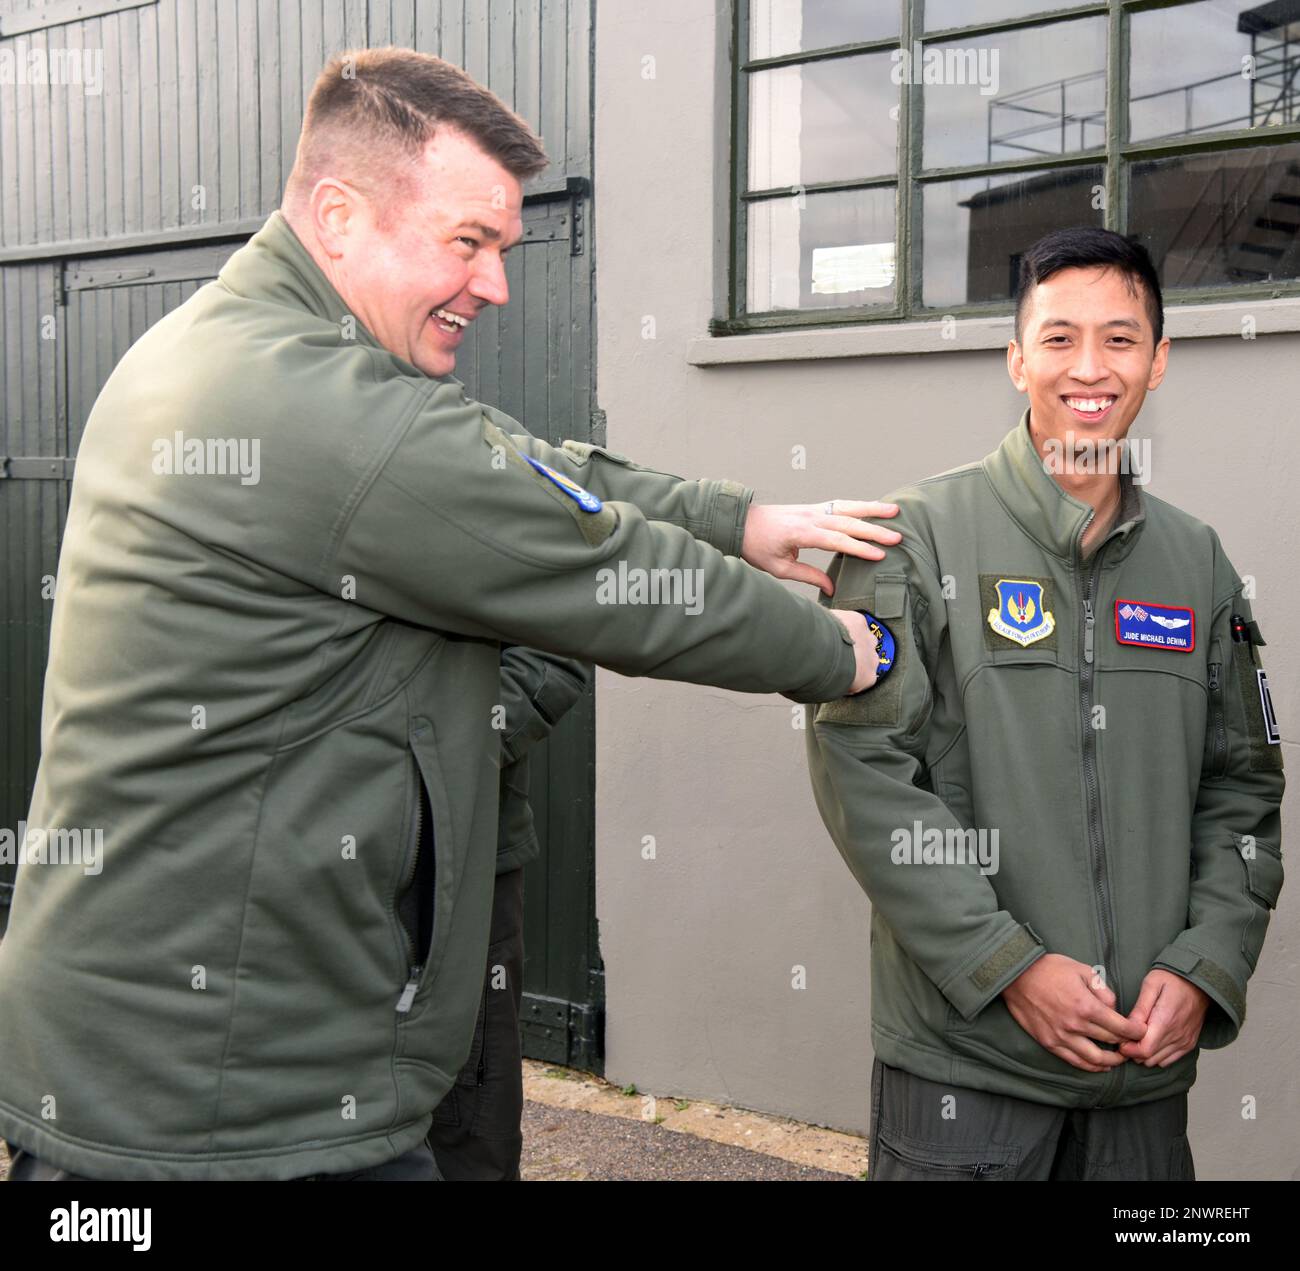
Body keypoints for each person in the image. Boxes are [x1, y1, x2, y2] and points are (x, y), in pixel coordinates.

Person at [0, 47, 900, 1181]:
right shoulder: (315, 407)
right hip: (223, 1102)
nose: (495, 285)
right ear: (339, 215)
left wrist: (740, 517)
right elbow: (603, 563)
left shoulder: (254, 351)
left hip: (184, 1062)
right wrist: (839, 650)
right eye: (467, 243)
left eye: (505, 249)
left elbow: (515, 465)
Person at [805, 226, 1284, 1181]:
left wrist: (1205, 965)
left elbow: (1243, 790)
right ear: (1016, 357)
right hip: (966, 1081)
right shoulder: (915, 543)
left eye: (1120, 338)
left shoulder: (1200, 564)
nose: (1089, 368)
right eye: (1059, 338)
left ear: (1159, 361)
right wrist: (1007, 966)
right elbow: (864, 775)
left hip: (1142, 1089)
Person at [427, 645, 591, 1180]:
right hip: (304, 867)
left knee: (469, 1120)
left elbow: (554, 652)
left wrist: (420, 763)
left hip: (465, 863)